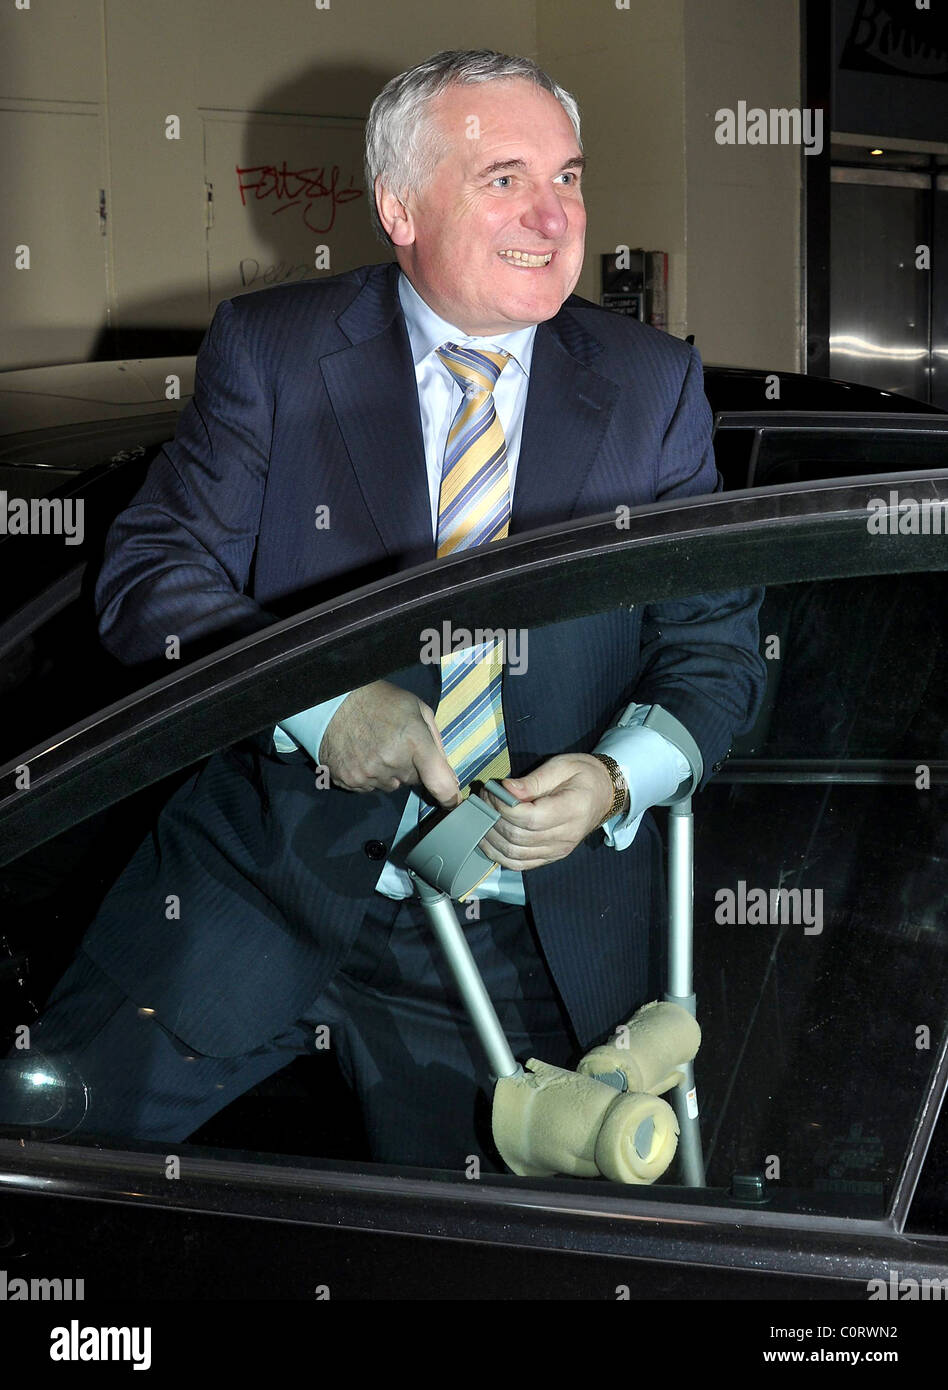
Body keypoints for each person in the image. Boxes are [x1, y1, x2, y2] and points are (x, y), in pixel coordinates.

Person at [16, 50, 765, 1169]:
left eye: (568, 177)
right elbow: (151, 579)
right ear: (399, 206)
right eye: (505, 179)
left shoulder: (651, 385)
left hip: (517, 931)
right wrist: (316, 705)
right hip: (260, 886)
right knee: (42, 1156)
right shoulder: (276, 351)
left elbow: (718, 654)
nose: (553, 216)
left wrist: (616, 778)